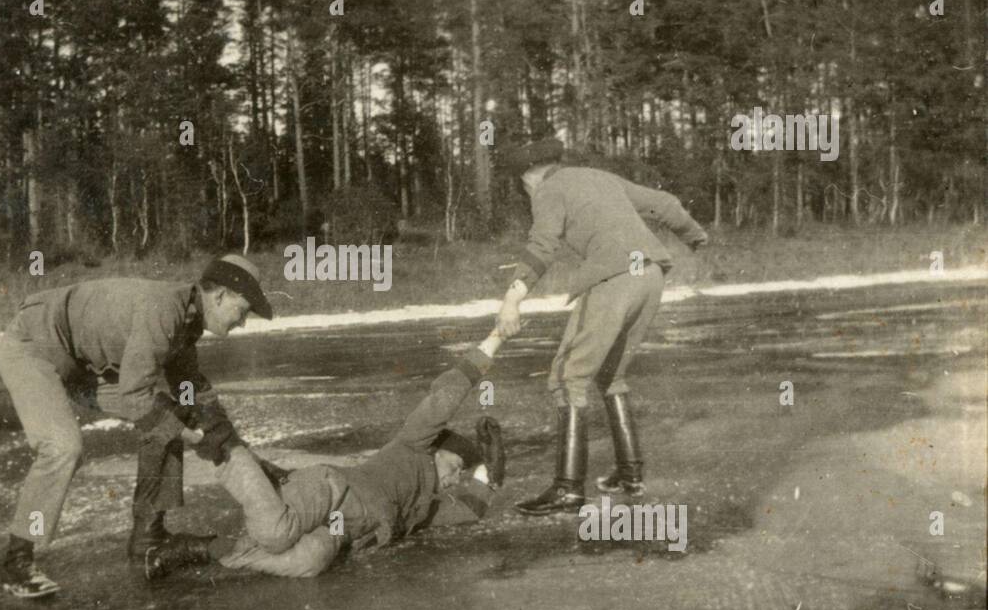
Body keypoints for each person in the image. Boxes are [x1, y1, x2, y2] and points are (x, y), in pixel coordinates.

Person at [0, 255, 273, 598]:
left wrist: (248, 459)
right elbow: (136, 395)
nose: (242, 323)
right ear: (219, 297)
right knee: (64, 446)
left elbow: (193, 395)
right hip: (32, 348)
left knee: (169, 416)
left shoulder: (187, 322)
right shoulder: (164, 311)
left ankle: (148, 541)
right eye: (243, 311)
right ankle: (17, 561)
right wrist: (185, 434)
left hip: (82, 366)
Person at [144, 332, 509, 580]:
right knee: (275, 534)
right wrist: (492, 344)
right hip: (330, 490)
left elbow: (467, 512)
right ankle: (212, 433)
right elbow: (441, 400)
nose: (455, 479)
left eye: (461, 475)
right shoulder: (413, 445)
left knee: (311, 561)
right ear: (437, 450)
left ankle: (198, 547)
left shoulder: (424, 509)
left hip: (337, 532)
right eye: (456, 466)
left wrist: (492, 472)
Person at [494, 139, 707, 516]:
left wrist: (512, 299)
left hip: (615, 277)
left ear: (528, 177)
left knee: (567, 377)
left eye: (522, 186)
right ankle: (630, 475)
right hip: (650, 273)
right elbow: (666, 204)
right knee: (611, 374)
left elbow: (542, 246)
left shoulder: (548, 190)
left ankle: (567, 489)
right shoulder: (598, 176)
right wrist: (694, 236)